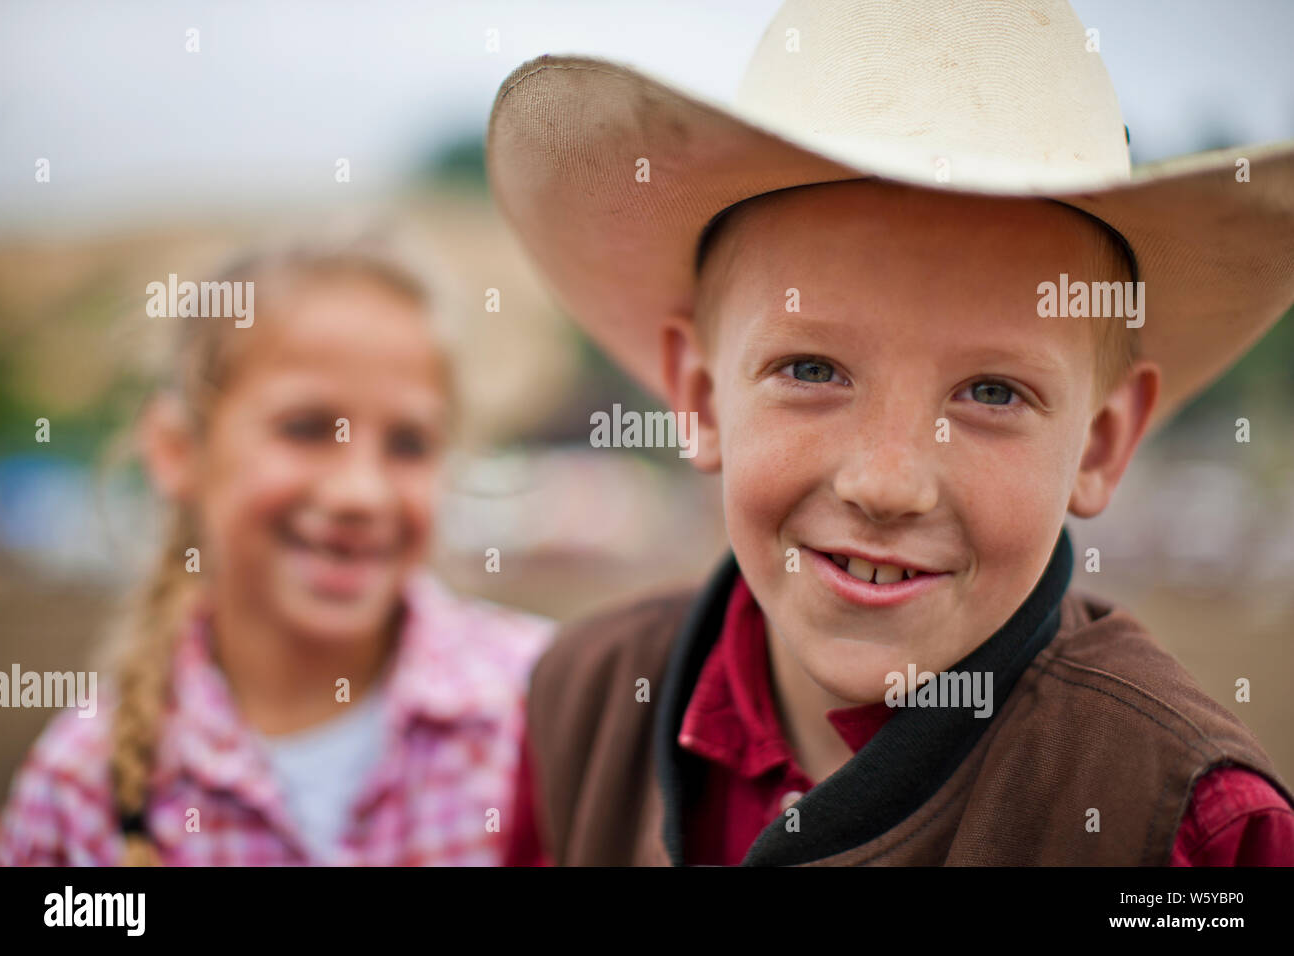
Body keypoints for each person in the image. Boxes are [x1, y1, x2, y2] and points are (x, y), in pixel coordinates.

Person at [488, 0, 1294, 865]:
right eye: (810, 371)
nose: (887, 483)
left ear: (1100, 444)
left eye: (992, 391)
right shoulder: (583, 706)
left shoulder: (1184, 827)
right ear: (700, 397)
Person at [0, 235, 551, 865]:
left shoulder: (549, 711)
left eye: (408, 443)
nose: (360, 492)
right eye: (307, 429)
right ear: (178, 449)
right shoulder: (81, 789)